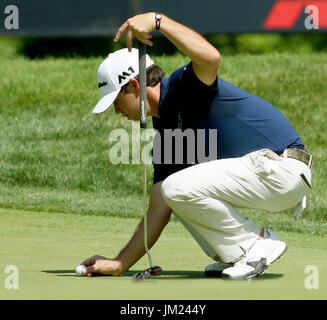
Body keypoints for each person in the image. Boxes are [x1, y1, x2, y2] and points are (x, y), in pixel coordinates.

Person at [80, 12, 313, 279]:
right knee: (173, 192)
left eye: (116, 102)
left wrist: (159, 22)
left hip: (283, 168)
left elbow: (211, 58)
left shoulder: (182, 86)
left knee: (174, 186)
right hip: (265, 175)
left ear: (134, 85)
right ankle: (236, 255)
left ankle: (255, 246)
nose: (117, 113)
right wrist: (119, 263)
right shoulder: (165, 133)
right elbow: (158, 210)